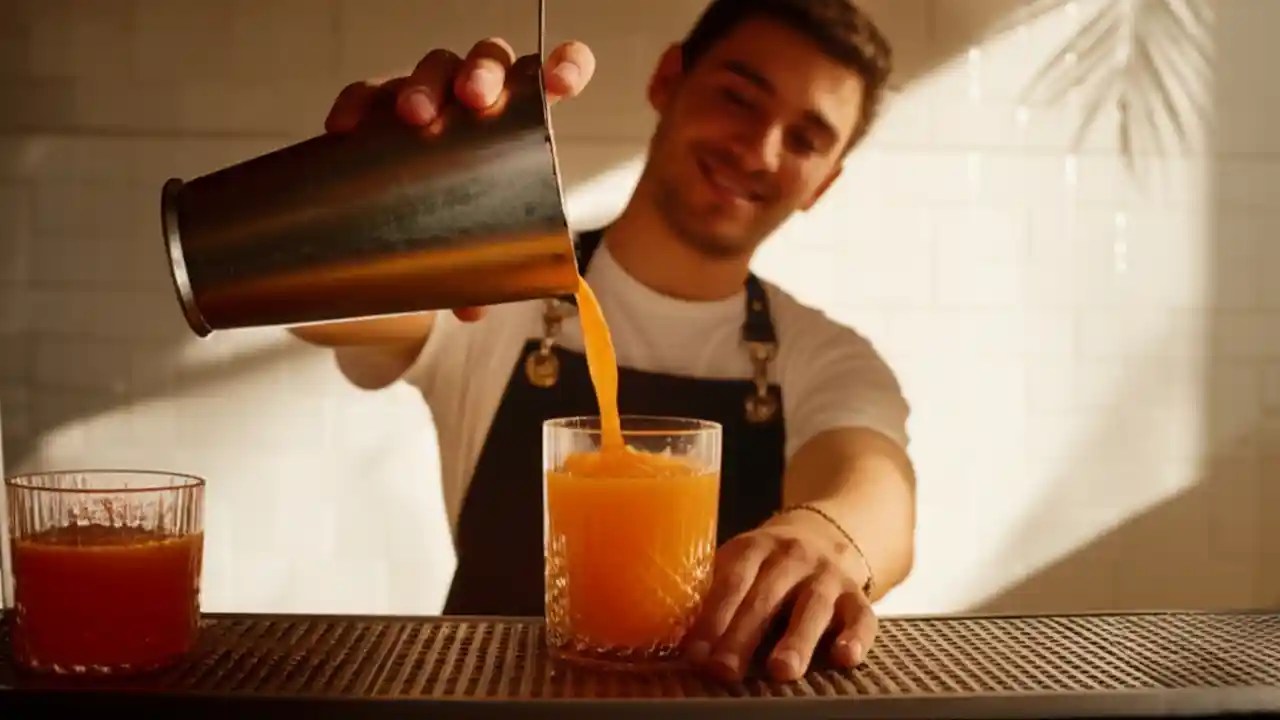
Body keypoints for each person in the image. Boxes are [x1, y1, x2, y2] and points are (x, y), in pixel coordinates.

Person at [293, 0, 917, 684]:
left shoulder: (823, 356)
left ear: (822, 183)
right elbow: (305, 295)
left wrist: (826, 537)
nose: (760, 149)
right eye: (739, 98)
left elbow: (873, 482)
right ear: (667, 80)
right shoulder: (500, 292)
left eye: (805, 140)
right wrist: (378, 176)